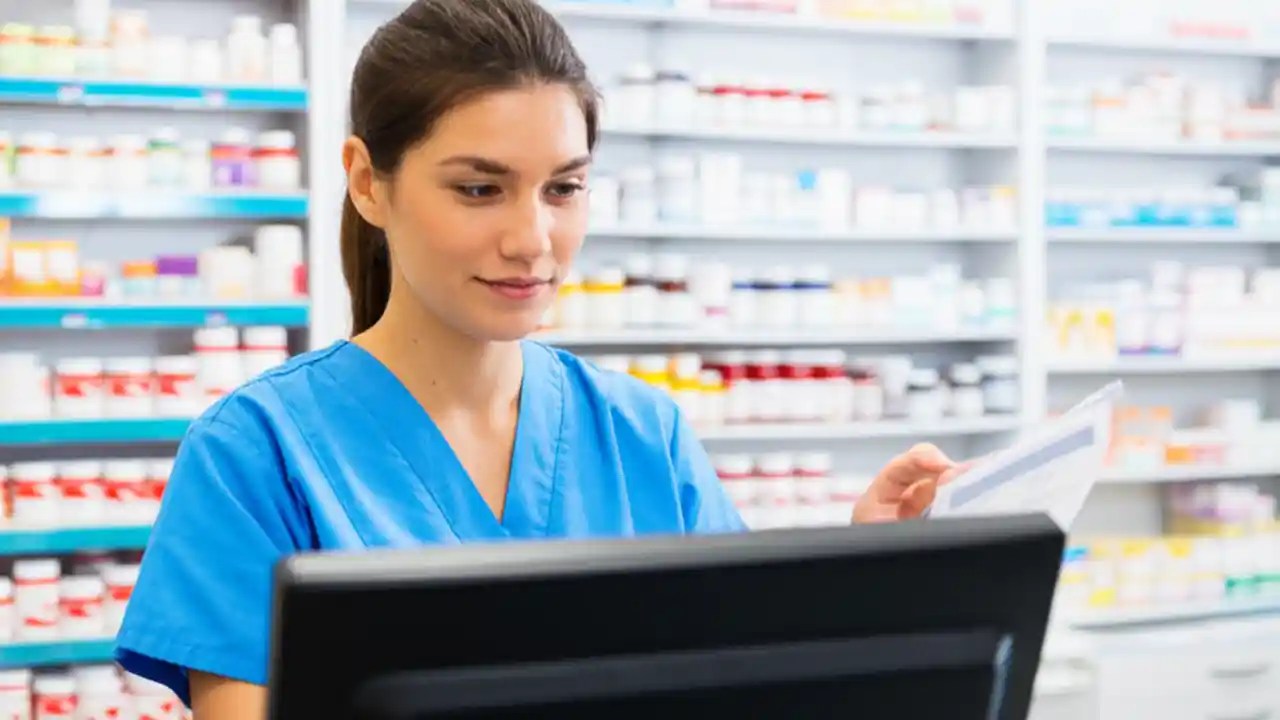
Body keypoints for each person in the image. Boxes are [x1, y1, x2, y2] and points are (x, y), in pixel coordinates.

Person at [114, 0, 966, 717]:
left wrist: (862, 589)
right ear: (369, 183)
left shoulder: (644, 438)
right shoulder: (256, 453)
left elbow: (736, 687)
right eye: (479, 189)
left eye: (563, 188)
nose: (533, 240)